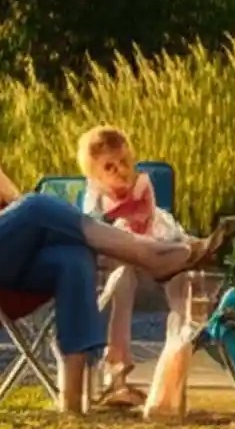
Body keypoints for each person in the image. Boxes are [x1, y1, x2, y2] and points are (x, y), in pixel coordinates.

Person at [0, 47, 235, 413]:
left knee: (71, 257)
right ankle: (147, 253)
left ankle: (72, 401)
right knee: (37, 207)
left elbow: (13, 203)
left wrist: (2, 215)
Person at [75, 124, 191, 406]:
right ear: (94, 174)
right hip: (120, 269)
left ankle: (173, 371)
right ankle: (117, 376)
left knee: (183, 272)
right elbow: (91, 229)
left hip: (157, 259)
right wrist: (105, 200)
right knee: (122, 277)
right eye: (109, 168)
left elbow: (144, 217)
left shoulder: (141, 183)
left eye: (124, 162)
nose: (120, 171)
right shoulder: (94, 197)